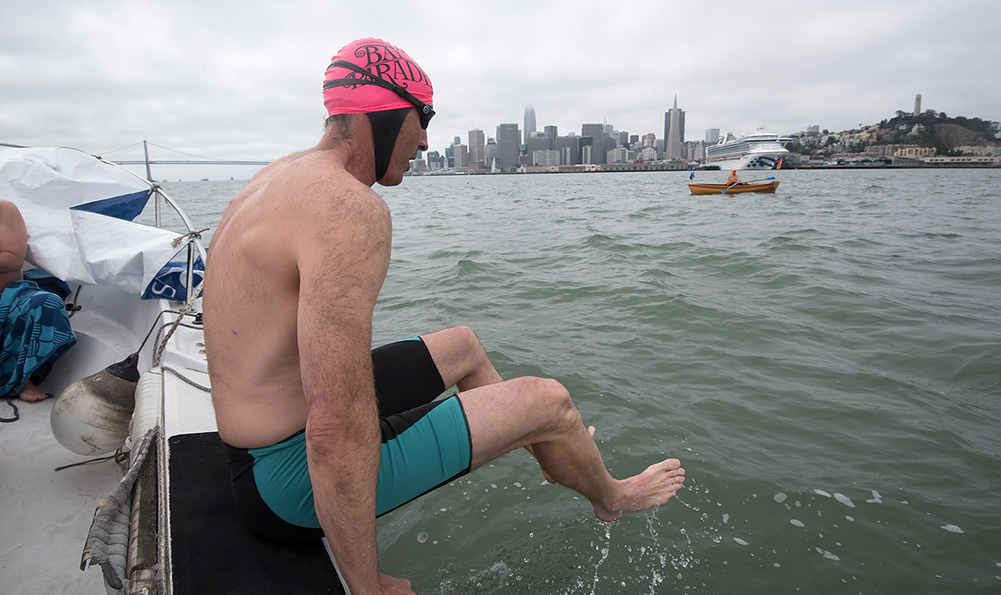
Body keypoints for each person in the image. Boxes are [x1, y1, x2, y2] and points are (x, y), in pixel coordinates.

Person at [203, 38, 685, 594]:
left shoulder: (282, 177)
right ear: (382, 110)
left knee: (463, 345)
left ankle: (548, 452)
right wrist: (370, 587)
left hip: (256, 444)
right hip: (285, 487)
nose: (427, 138)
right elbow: (334, 430)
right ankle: (611, 497)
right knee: (550, 400)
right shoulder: (348, 208)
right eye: (423, 115)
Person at [1, 200, 77, 402]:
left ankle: (23, 379)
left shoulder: (4, 210)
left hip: (9, 297)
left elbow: (14, 258)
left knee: (46, 302)